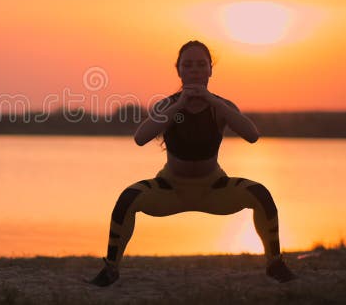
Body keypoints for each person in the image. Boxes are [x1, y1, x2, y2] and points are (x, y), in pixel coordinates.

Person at [88, 40, 296, 286]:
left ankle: (275, 263)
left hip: (213, 188)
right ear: (179, 70)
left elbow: (252, 136)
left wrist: (213, 101)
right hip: (171, 188)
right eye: (188, 65)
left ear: (210, 70)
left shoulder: (221, 107)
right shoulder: (169, 106)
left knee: (260, 194)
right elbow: (140, 137)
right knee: (127, 199)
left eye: (201, 65)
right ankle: (111, 268)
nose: (195, 70)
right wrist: (179, 105)